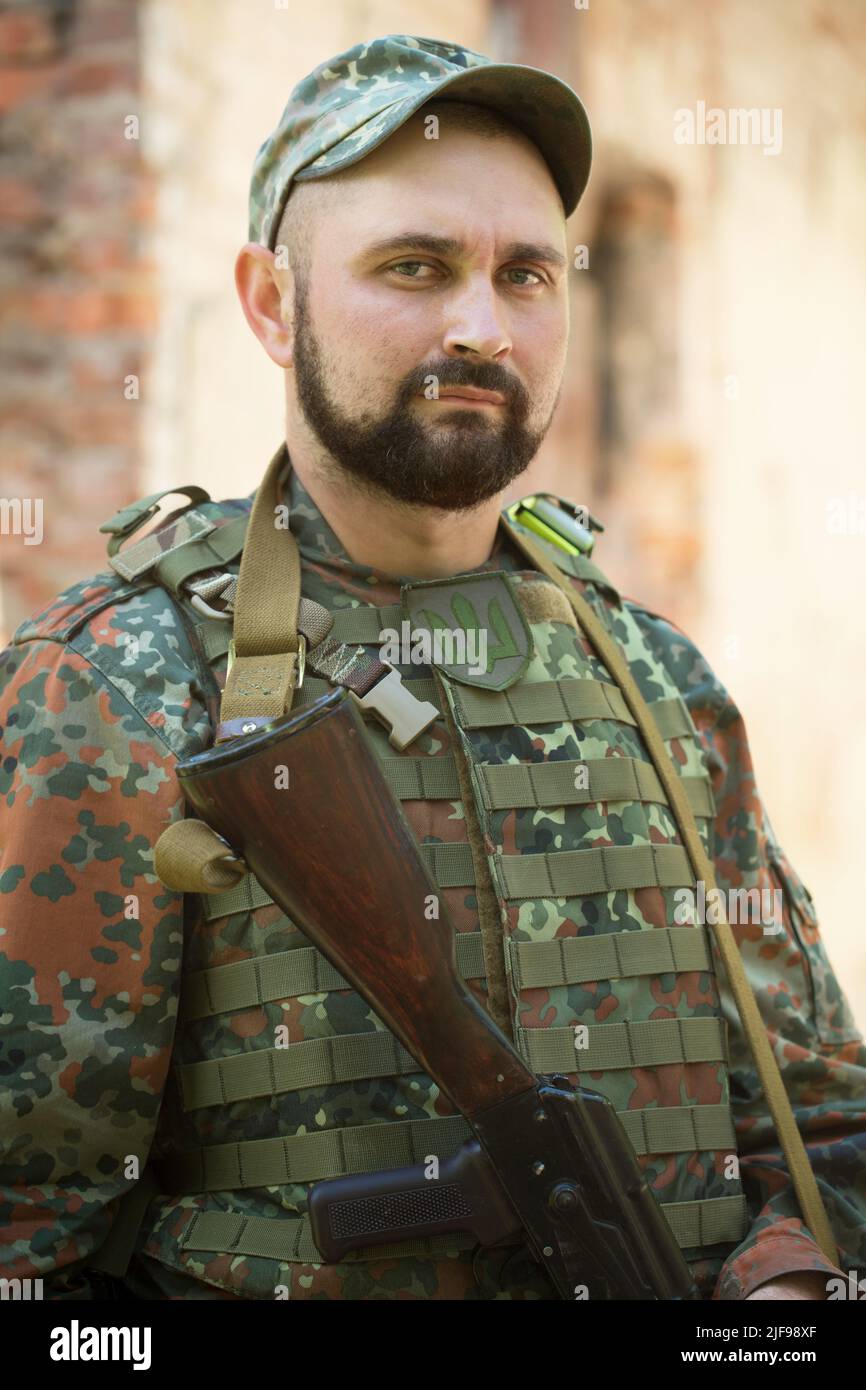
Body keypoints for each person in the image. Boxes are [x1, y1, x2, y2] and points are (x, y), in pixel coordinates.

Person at [1, 33, 864, 1303]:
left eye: (525, 274)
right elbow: (27, 1243)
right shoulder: (119, 685)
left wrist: (785, 1290)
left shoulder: (651, 682)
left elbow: (821, 1125)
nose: (481, 325)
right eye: (414, 266)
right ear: (268, 300)